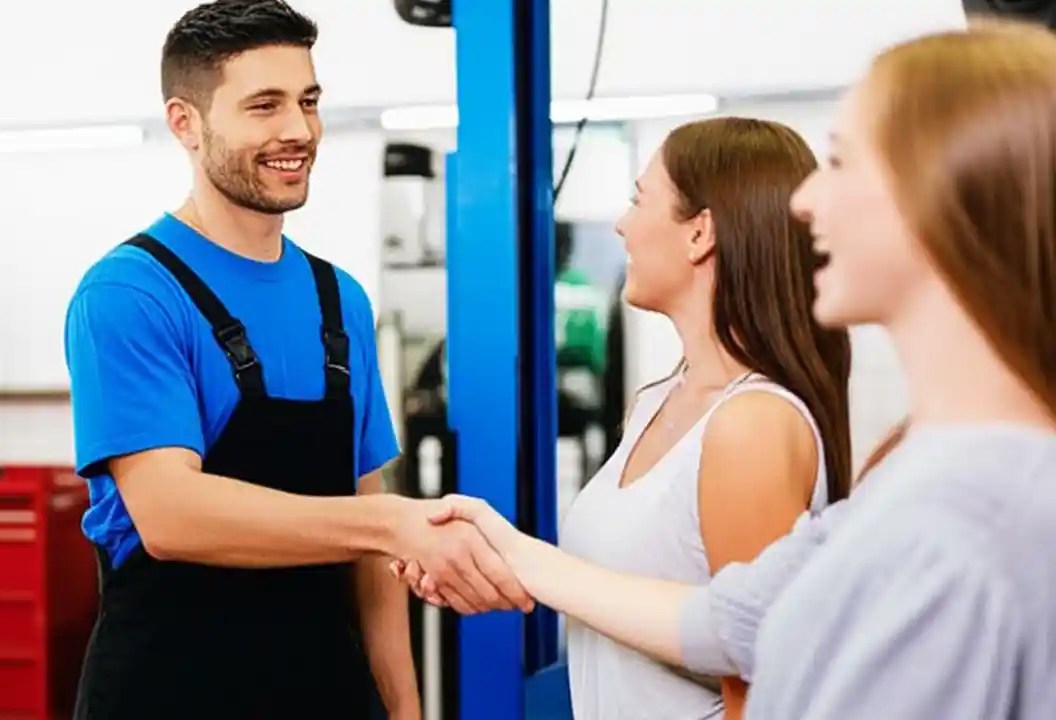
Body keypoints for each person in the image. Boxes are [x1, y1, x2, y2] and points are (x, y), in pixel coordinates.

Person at [400, 18, 1056, 720]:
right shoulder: (905, 472)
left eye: (842, 163)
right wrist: (502, 547)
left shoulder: (983, 513)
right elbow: (728, 624)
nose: (806, 202)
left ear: (942, 197)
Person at [63, 3, 530, 718]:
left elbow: (372, 541)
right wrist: (390, 525)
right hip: (169, 694)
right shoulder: (130, 294)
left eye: (308, 102)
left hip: (325, 690)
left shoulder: (338, 300)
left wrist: (403, 708)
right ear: (185, 123)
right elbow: (171, 514)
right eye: (264, 106)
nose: (298, 131)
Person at [429, 118, 853, 720]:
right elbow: (632, 587)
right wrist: (494, 559)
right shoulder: (657, 400)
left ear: (700, 233)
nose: (621, 224)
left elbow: (759, 690)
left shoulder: (751, 425)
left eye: (638, 198)